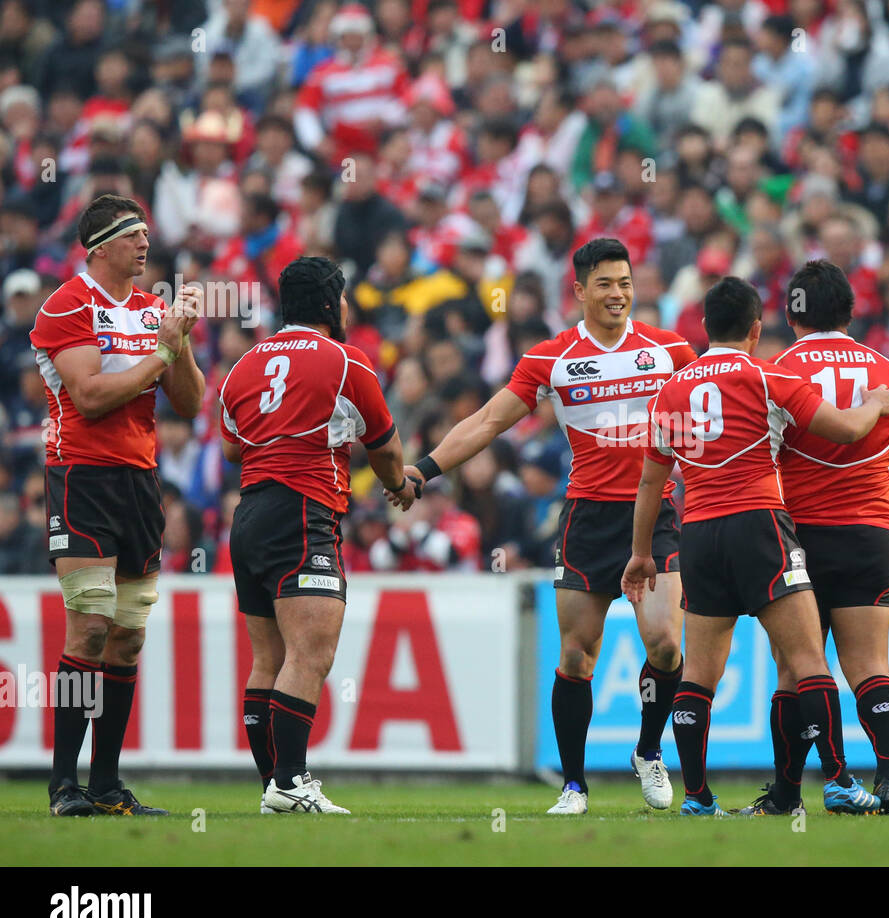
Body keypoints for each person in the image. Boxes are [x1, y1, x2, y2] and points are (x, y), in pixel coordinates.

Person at [394, 238, 698, 815]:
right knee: (578, 655)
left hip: (654, 514)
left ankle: (648, 749)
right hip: (587, 517)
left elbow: (713, 406)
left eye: (626, 283)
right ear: (579, 290)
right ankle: (575, 785)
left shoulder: (670, 350)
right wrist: (424, 470)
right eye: (606, 284)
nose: (618, 294)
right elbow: (488, 420)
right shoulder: (551, 358)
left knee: (663, 645)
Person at [620, 276, 889, 816]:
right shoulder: (766, 376)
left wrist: (640, 554)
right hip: (761, 527)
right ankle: (840, 780)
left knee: (699, 671)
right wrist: (876, 401)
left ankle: (698, 798)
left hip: (698, 536)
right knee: (807, 660)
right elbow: (845, 430)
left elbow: (651, 485)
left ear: (704, 327)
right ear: (755, 329)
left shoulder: (670, 392)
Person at [219, 256, 415, 814]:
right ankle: (290, 781)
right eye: (345, 298)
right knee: (310, 655)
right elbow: (387, 447)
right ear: (332, 304)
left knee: (267, 659)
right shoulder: (346, 361)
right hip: (302, 514)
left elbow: (234, 447)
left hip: (249, 515)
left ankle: (273, 787)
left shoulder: (242, 366)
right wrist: (399, 486)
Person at [31, 194, 204, 816]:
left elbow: (188, 403)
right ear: (101, 245)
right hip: (82, 478)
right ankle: (62, 785)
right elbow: (90, 396)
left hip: (140, 481)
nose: (145, 244)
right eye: (133, 235)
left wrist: (177, 342)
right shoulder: (67, 305)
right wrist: (160, 352)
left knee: (127, 639)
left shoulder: (154, 309)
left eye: (146, 234)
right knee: (91, 625)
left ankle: (105, 786)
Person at [738, 259, 889, 816]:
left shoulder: (774, 372)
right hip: (869, 532)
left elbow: (759, 460)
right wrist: (885, 516)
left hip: (795, 538)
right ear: (850, 309)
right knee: (870, 664)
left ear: (792, 315)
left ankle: (787, 793)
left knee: (796, 668)